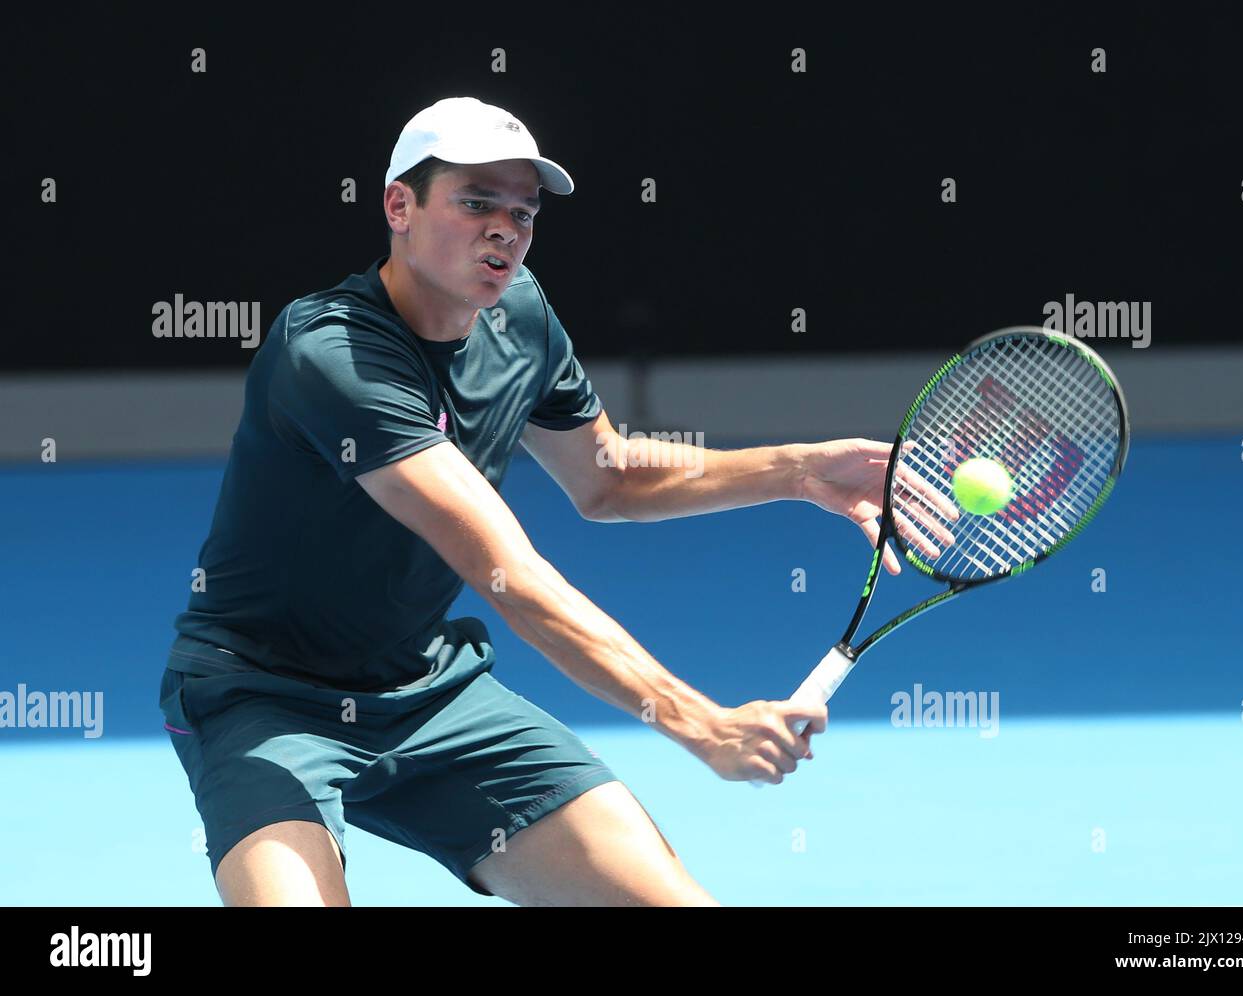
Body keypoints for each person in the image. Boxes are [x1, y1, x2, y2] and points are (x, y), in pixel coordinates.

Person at [159, 96, 950, 907]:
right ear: (399, 205)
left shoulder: (520, 317)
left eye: (522, 213)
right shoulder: (331, 352)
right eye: (475, 203)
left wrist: (797, 468)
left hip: (427, 692)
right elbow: (511, 575)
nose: (504, 229)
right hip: (261, 699)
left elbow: (609, 475)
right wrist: (699, 723)